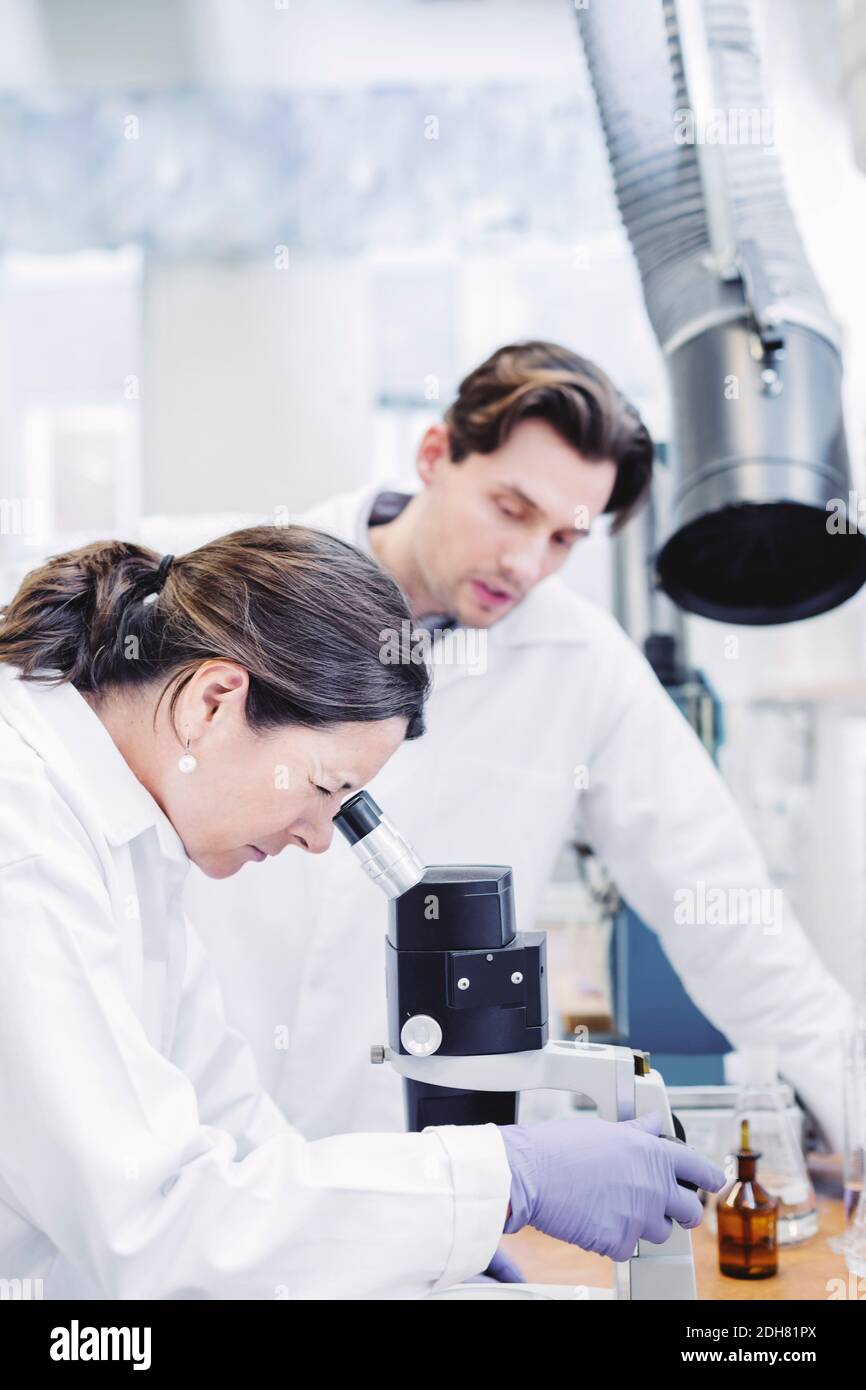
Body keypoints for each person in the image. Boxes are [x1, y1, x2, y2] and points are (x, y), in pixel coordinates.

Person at [0, 526, 723, 1299]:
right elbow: (155, 1223)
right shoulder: (27, 843)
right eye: (324, 790)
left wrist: (421, 1246)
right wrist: (505, 1178)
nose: (318, 839)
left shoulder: (133, 836)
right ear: (213, 703)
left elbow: (237, 1134)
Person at [181, 341, 856, 1153]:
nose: (527, 563)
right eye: (509, 509)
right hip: (194, 1120)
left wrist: (848, 1107)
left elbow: (724, 905)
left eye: (566, 540)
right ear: (435, 455)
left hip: (403, 1150)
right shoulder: (227, 583)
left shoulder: (581, 663)